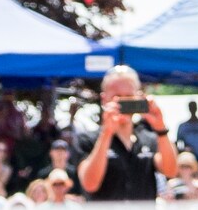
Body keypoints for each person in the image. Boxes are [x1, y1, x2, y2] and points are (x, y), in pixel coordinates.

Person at [72, 68, 182, 201]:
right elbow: (90, 184)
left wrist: (161, 128)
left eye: (129, 97)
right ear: (104, 99)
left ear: (138, 97)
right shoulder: (88, 139)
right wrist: (106, 134)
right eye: (117, 98)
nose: (123, 103)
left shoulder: (148, 138)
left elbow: (171, 170)